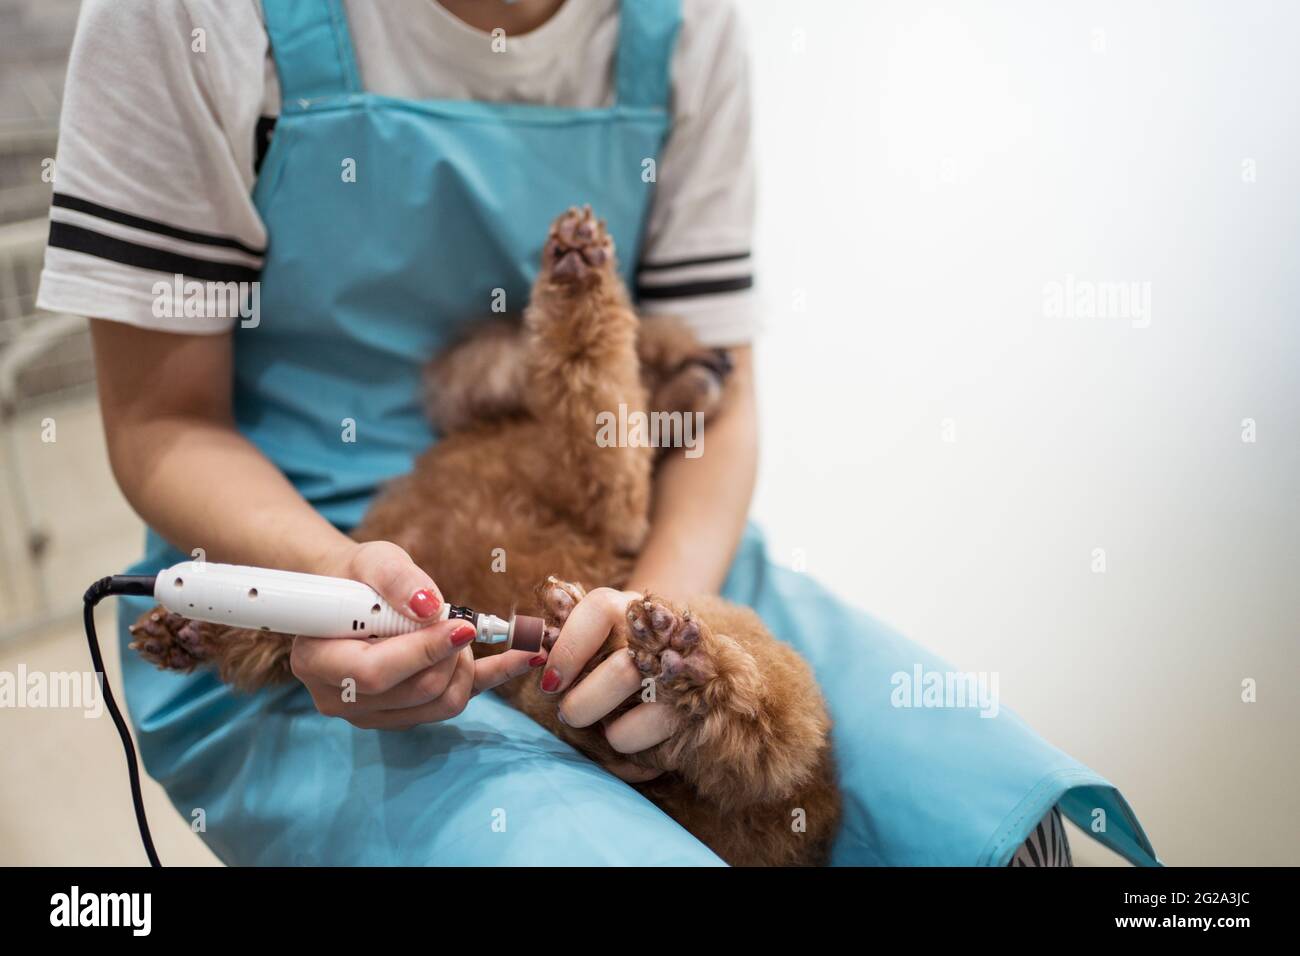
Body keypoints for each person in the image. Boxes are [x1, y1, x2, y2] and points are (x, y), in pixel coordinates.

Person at [40, 0, 1157, 866]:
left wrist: (656, 625)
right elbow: (163, 421)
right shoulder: (186, 20)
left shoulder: (684, 29)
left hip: (640, 530)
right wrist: (332, 587)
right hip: (300, 567)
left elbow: (717, 397)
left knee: (983, 815)